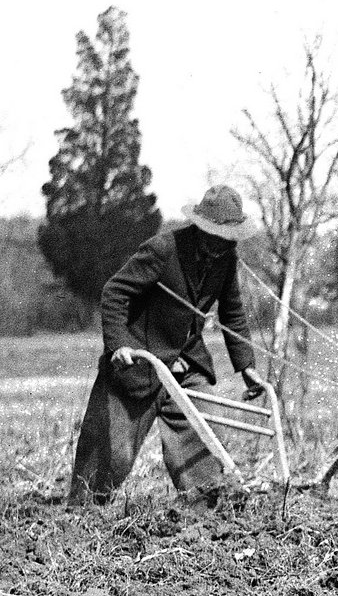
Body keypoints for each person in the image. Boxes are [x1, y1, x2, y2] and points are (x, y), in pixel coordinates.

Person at [67, 184, 270, 506]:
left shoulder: (225, 260)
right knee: (111, 455)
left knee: (203, 435)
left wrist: (246, 368)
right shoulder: (163, 249)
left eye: (229, 238)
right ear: (202, 228)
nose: (223, 245)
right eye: (217, 236)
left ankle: (206, 519)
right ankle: (80, 514)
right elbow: (115, 292)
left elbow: (232, 312)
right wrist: (119, 344)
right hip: (139, 366)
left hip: (187, 364)